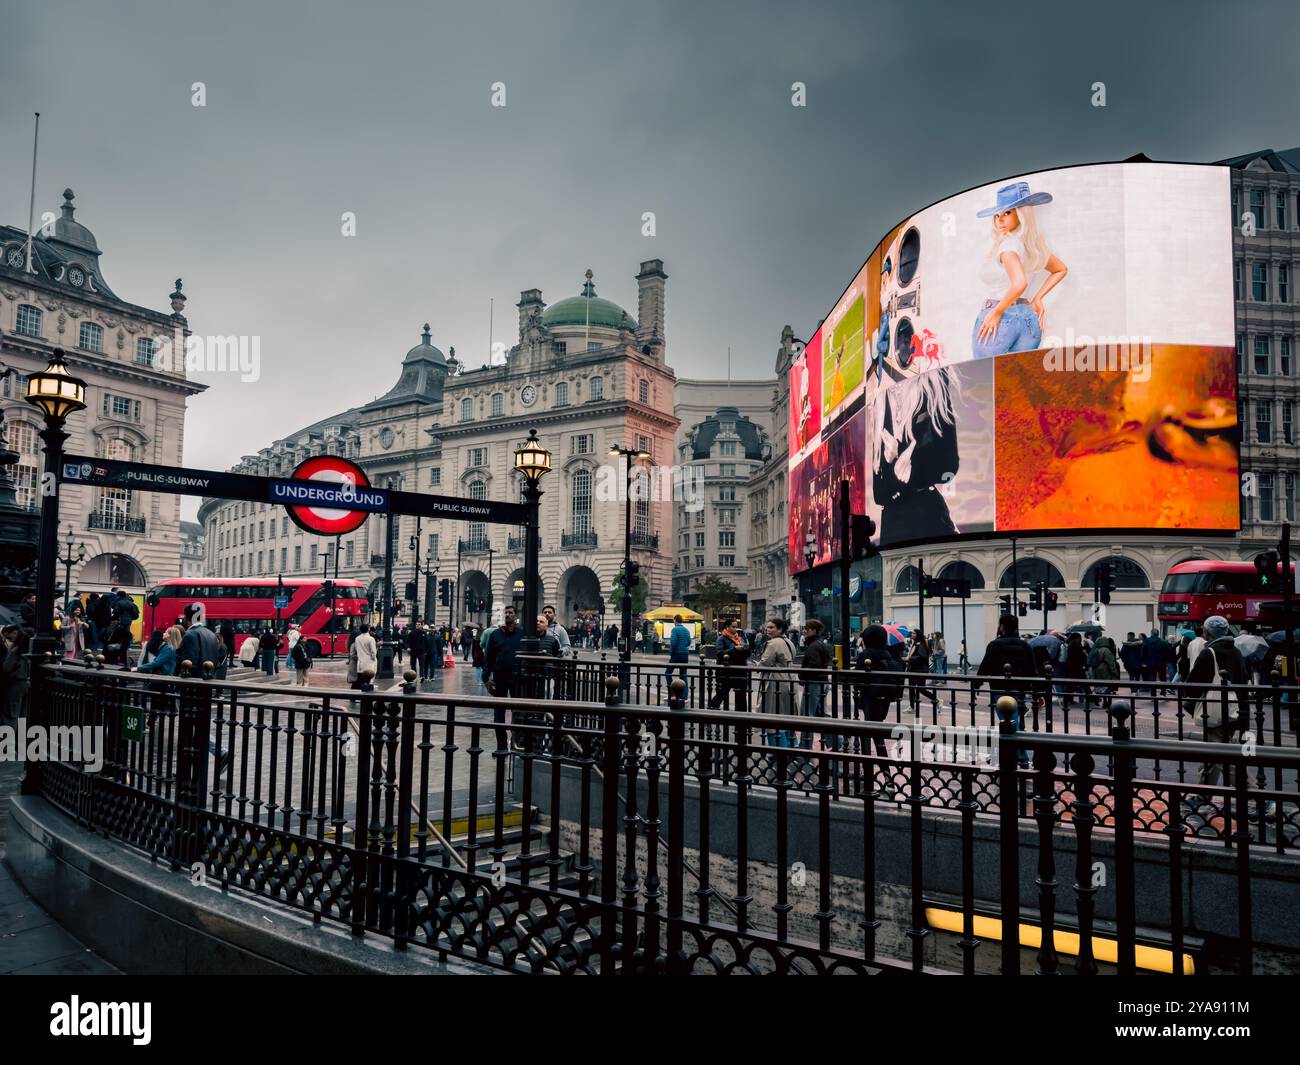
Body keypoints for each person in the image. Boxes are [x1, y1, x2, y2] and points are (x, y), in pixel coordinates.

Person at [971, 182, 1068, 359]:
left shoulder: (1007, 246)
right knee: (1019, 381)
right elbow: (1060, 269)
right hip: (1029, 321)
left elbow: (1019, 283)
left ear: (1021, 214)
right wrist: (1037, 298)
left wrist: (997, 312)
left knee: (985, 380)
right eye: (997, 215)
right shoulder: (1032, 245)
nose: (1000, 219)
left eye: (1007, 213)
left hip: (1001, 318)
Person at [975, 614, 1037, 768]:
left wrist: (977, 683)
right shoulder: (1025, 646)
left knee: (1007, 723)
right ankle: (1015, 756)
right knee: (1016, 722)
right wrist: (1036, 690)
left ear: (1002, 626)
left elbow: (985, 666)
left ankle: (1020, 756)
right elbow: (1032, 669)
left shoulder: (995, 645)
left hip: (999, 689)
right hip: (1019, 689)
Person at [854, 624, 907, 787]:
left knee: (869, 736)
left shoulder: (866, 655)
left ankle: (871, 773)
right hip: (883, 700)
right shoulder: (888, 654)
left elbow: (857, 680)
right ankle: (887, 776)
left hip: (870, 699)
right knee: (878, 737)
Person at [756, 618, 798, 748]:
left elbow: (765, 663)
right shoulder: (789, 642)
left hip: (775, 682)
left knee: (772, 717)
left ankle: (779, 749)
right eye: (767, 627)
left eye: (772, 627)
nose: (768, 630)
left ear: (780, 629)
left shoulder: (773, 643)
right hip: (789, 680)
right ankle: (793, 745)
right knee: (787, 716)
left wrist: (758, 665)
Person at [798, 619, 832, 748]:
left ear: (814, 630)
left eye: (807, 628)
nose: (804, 631)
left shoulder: (814, 646)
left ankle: (805, 746)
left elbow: (814, 666)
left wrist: (802, 674)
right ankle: (837, 741)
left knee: (807, 714)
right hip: (820, 682)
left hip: (814, 683)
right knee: (821, 714)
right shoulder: (818, 644)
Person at [708, 618, 749, 710]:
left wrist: (746, 649)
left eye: (736, 627)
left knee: (741, 695)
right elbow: (719, 653)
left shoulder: (739, 638)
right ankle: (712, 708)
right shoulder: (721, 638)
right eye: (733, 627)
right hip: (727, 671)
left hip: (740, 670)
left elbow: (746, 655)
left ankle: (742, 715)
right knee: (722, 693)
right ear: (727, 627)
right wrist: (734, 649)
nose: (735, 629)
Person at [178, 603, 225, 677]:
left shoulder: (189, 635)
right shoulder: (211, 634)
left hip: (194, 682)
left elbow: (188, 661)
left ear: (186, 617)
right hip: (209, 679)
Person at [0, 627, 31, 728]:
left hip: (14, 684)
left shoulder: (16, 651)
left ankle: (7, 741)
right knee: (22, 714)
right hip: (27, 683)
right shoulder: (31, 650)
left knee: (10, 714)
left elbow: (6, 668)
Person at [1085, 633, 1120, 707]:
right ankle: (1105, 702)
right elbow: (1111, 663)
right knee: (1107, 687)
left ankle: (1098, 698)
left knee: (1099, 686)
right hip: (1105, 671)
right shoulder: (1106, 650)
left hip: (1095, 670)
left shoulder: (1094, 649)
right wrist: (1115, 672)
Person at [665, 614, 692, 696]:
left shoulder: (675, 629)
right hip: (685, 654)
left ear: (675, 620)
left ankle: (672, 693)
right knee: (683, 675)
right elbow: (689, 642)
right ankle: (684, 696)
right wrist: (683, 646)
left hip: (676, 654)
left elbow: (673, 642)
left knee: (668, 673)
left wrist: (671, 652)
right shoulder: (686, 630)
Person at [348, 624, 378, 690]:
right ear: (368, 630)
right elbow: (373, 651)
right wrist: (373, 658)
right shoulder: (371, 639)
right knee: (369, 678)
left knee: (360, 678)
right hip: (369, 661)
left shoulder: (357, 638)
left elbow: (356, 649)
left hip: (360, 661)